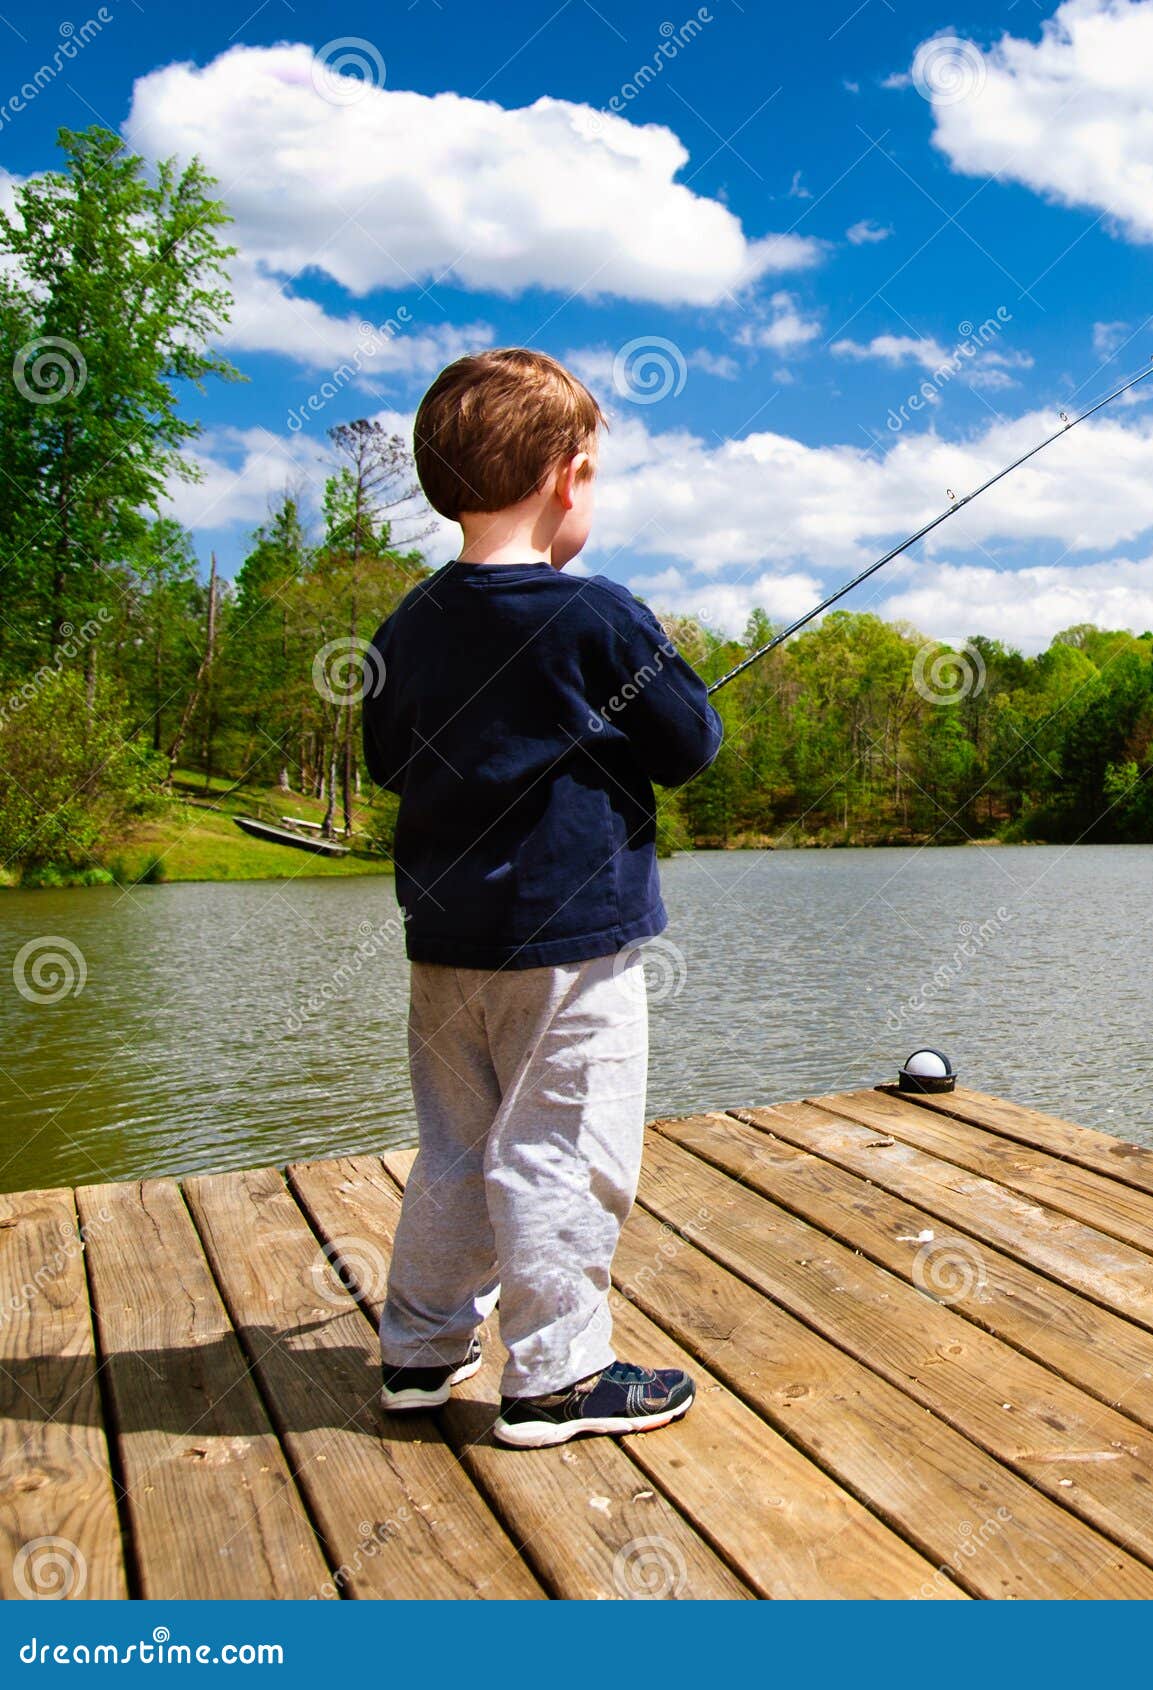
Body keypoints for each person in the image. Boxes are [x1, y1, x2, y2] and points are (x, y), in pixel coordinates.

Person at [363, 348, 721, 1448]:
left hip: (447, 944)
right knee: (564, 1148)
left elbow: (387, 760)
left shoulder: (405, 627)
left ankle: (420, 1353)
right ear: (568, 478)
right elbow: (692, 742)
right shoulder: (598, 615)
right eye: (594, 474)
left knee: (458, 1149)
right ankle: (557, 1377)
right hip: (572, 949)